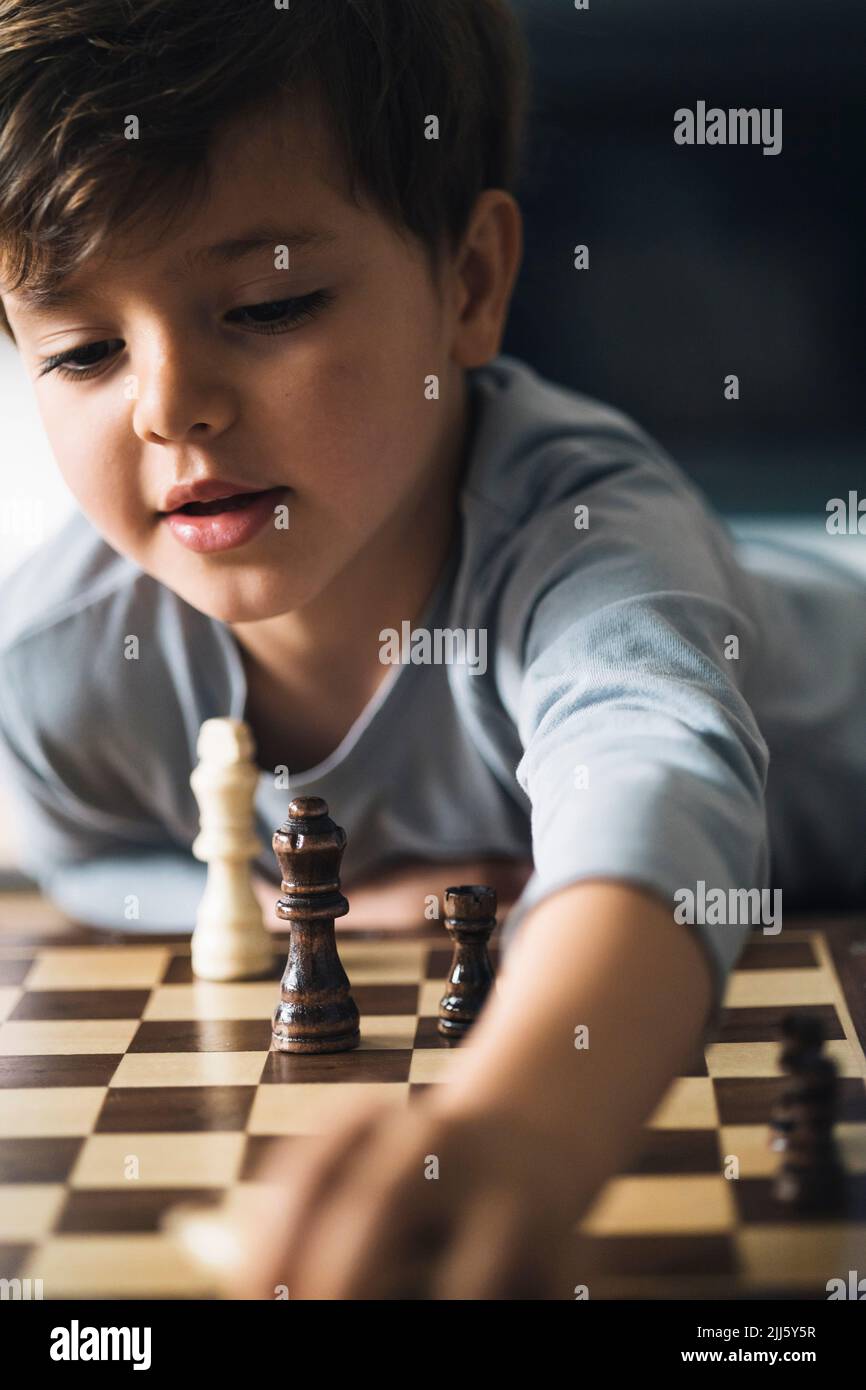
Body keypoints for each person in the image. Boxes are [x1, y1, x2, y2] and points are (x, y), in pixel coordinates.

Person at [0, 1, 863, 1298]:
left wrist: (517, 1128)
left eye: (269, 303)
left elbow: (660, 796)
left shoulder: (583, 545)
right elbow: (81, 857)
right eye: (82, 349)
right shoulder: (62, 663)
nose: (170, 403)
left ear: (467, 284)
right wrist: (357, 905)